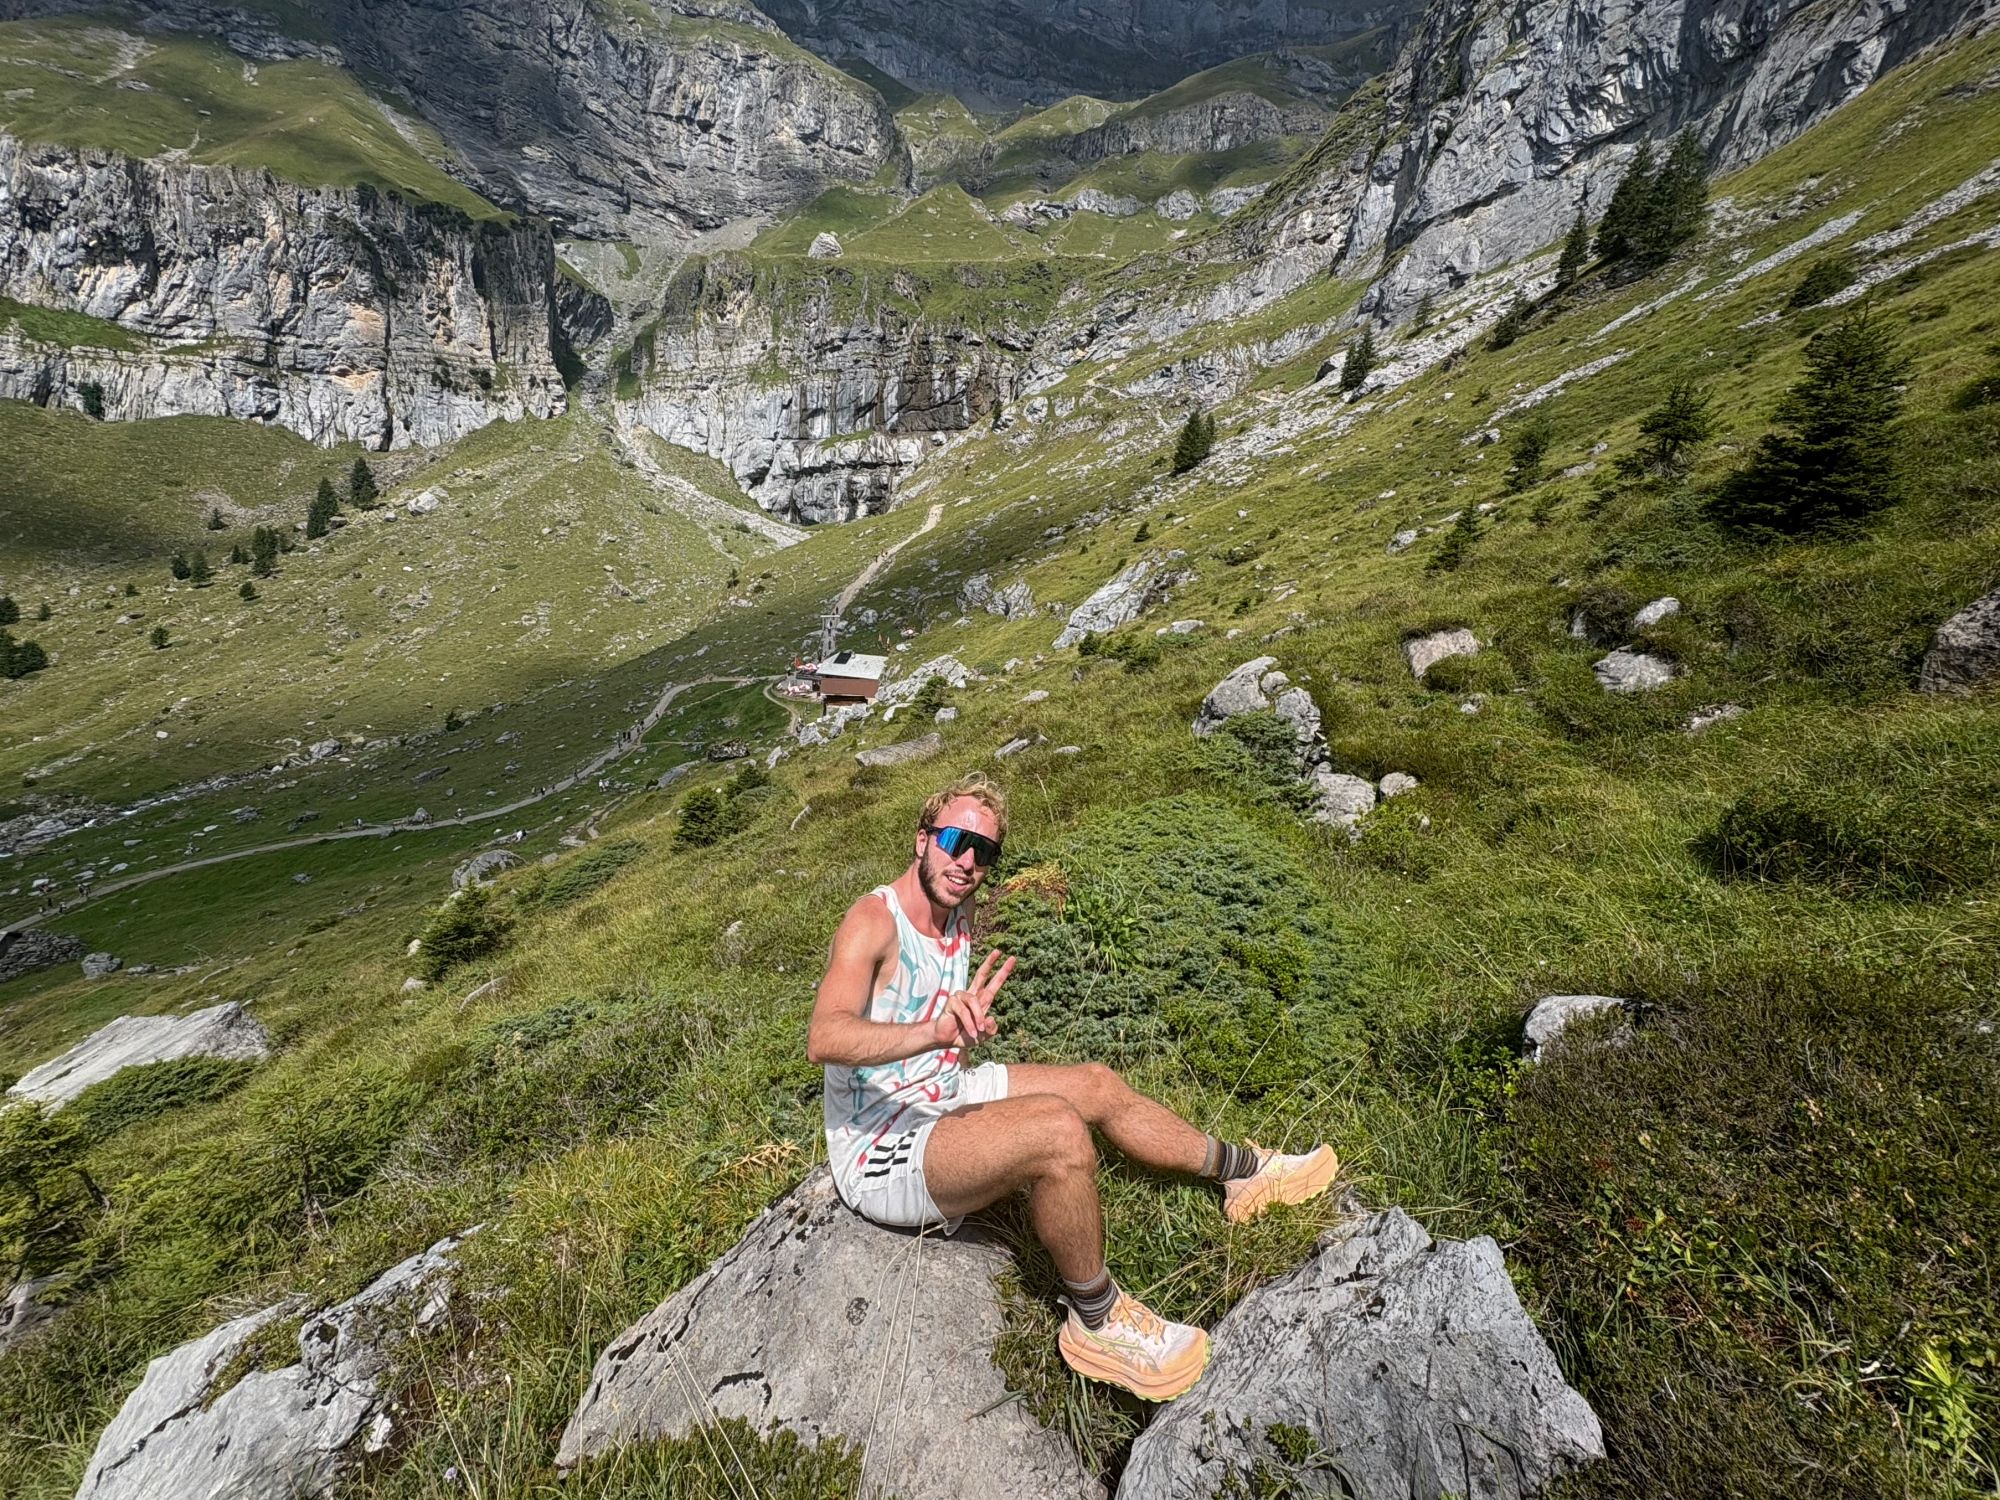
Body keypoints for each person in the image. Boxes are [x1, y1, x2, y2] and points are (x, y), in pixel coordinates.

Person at [808, 772, 1339, 1402]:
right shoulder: (874, 921)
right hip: (882, 1147)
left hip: (944, 1088)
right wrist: (934, 1032)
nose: (969, 860)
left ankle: (1244, 1173)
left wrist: (955, 1036)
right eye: (955, 839)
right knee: (1057, 1133)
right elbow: (826, 1037)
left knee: (1094, 1084)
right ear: (922, 840)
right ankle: (1096, 1320)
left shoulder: (959, 908)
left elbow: (935, 1017)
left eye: (987, 851)